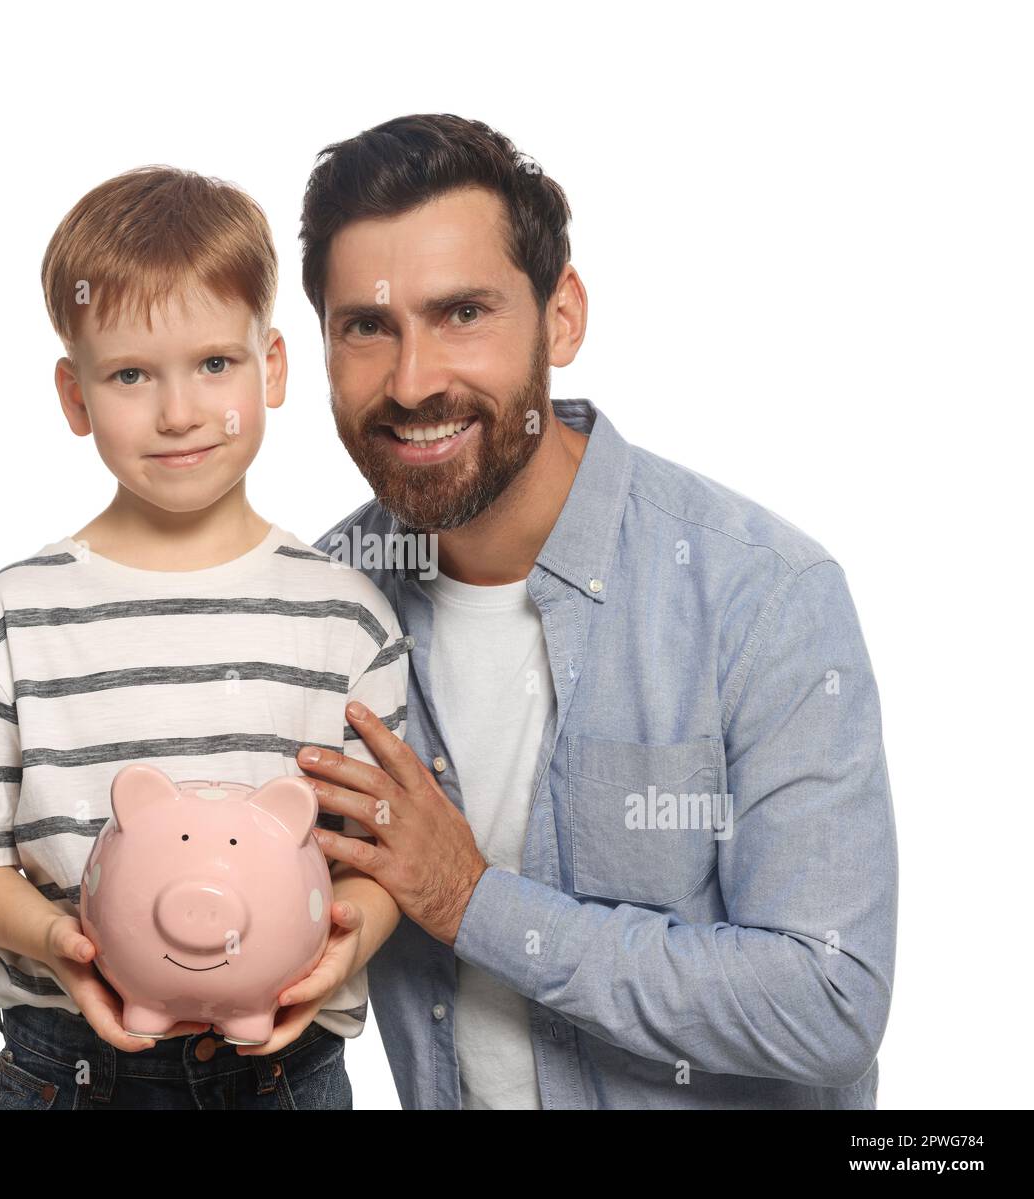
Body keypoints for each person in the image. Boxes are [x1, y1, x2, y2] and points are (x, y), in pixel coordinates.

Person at [295, 113, 898, 1109]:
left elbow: (828, 1000)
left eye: (462, 314)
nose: (412, 381)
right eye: (367, 325)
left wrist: (470, 898)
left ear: (560, 316)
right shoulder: (316, 607)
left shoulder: (758, 594)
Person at [0, 166, 410, 1110]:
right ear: (75, 394)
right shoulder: (15, 618)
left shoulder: (347, 616)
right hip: (70, 1062)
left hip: (283, 1068)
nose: (178, 411)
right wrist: (56, 943)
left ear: (271, 367)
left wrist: (354, 934)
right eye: (131, 375)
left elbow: (385, 849)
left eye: (214, 365)